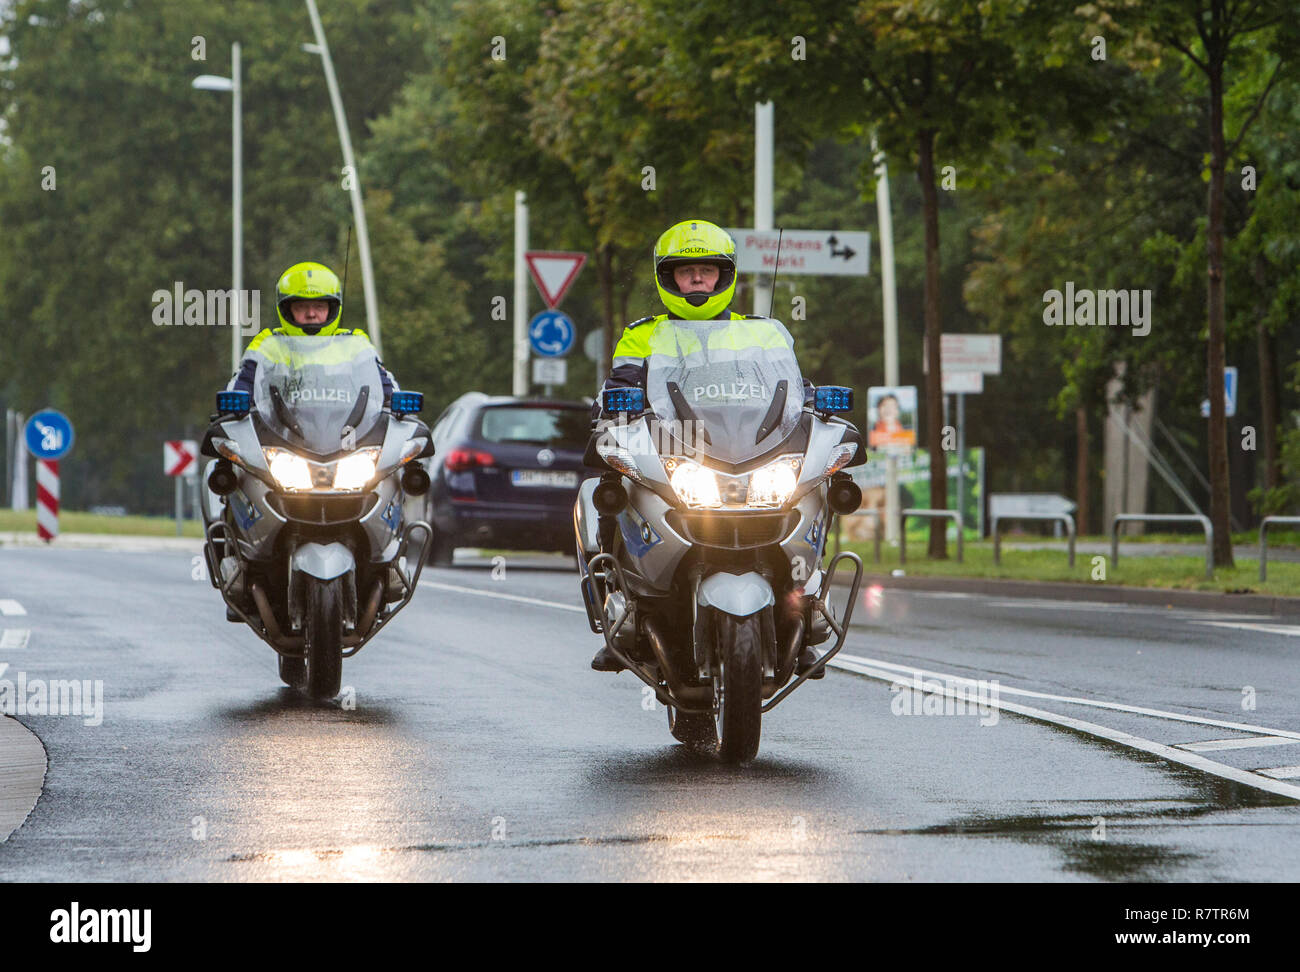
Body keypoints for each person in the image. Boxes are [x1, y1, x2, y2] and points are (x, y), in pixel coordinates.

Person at [589, 219, 820, 677]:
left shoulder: (764, 333)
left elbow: (794, 393)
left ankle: (803, 609)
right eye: (685, 270)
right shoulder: (643, 334)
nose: (697, 279)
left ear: (725, 276)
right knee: (611, 483)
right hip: (678, 448)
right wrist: (607, 417)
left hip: (749, 451)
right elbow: (620, 388)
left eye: (708, 270)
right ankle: (623, 595)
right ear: (667, 277)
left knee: (812, 488)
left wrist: (815, 413)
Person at [229, 261, 395, 406]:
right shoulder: (268, 344)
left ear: (332, 309)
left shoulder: (355, 344)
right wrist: (234, 403)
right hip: (279, 435)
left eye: (319, 306)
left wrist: (394, 402)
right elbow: (241, 386)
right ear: (287, 310)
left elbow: (385, 388)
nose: (311, 314)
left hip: (349, 434)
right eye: (301, 307)